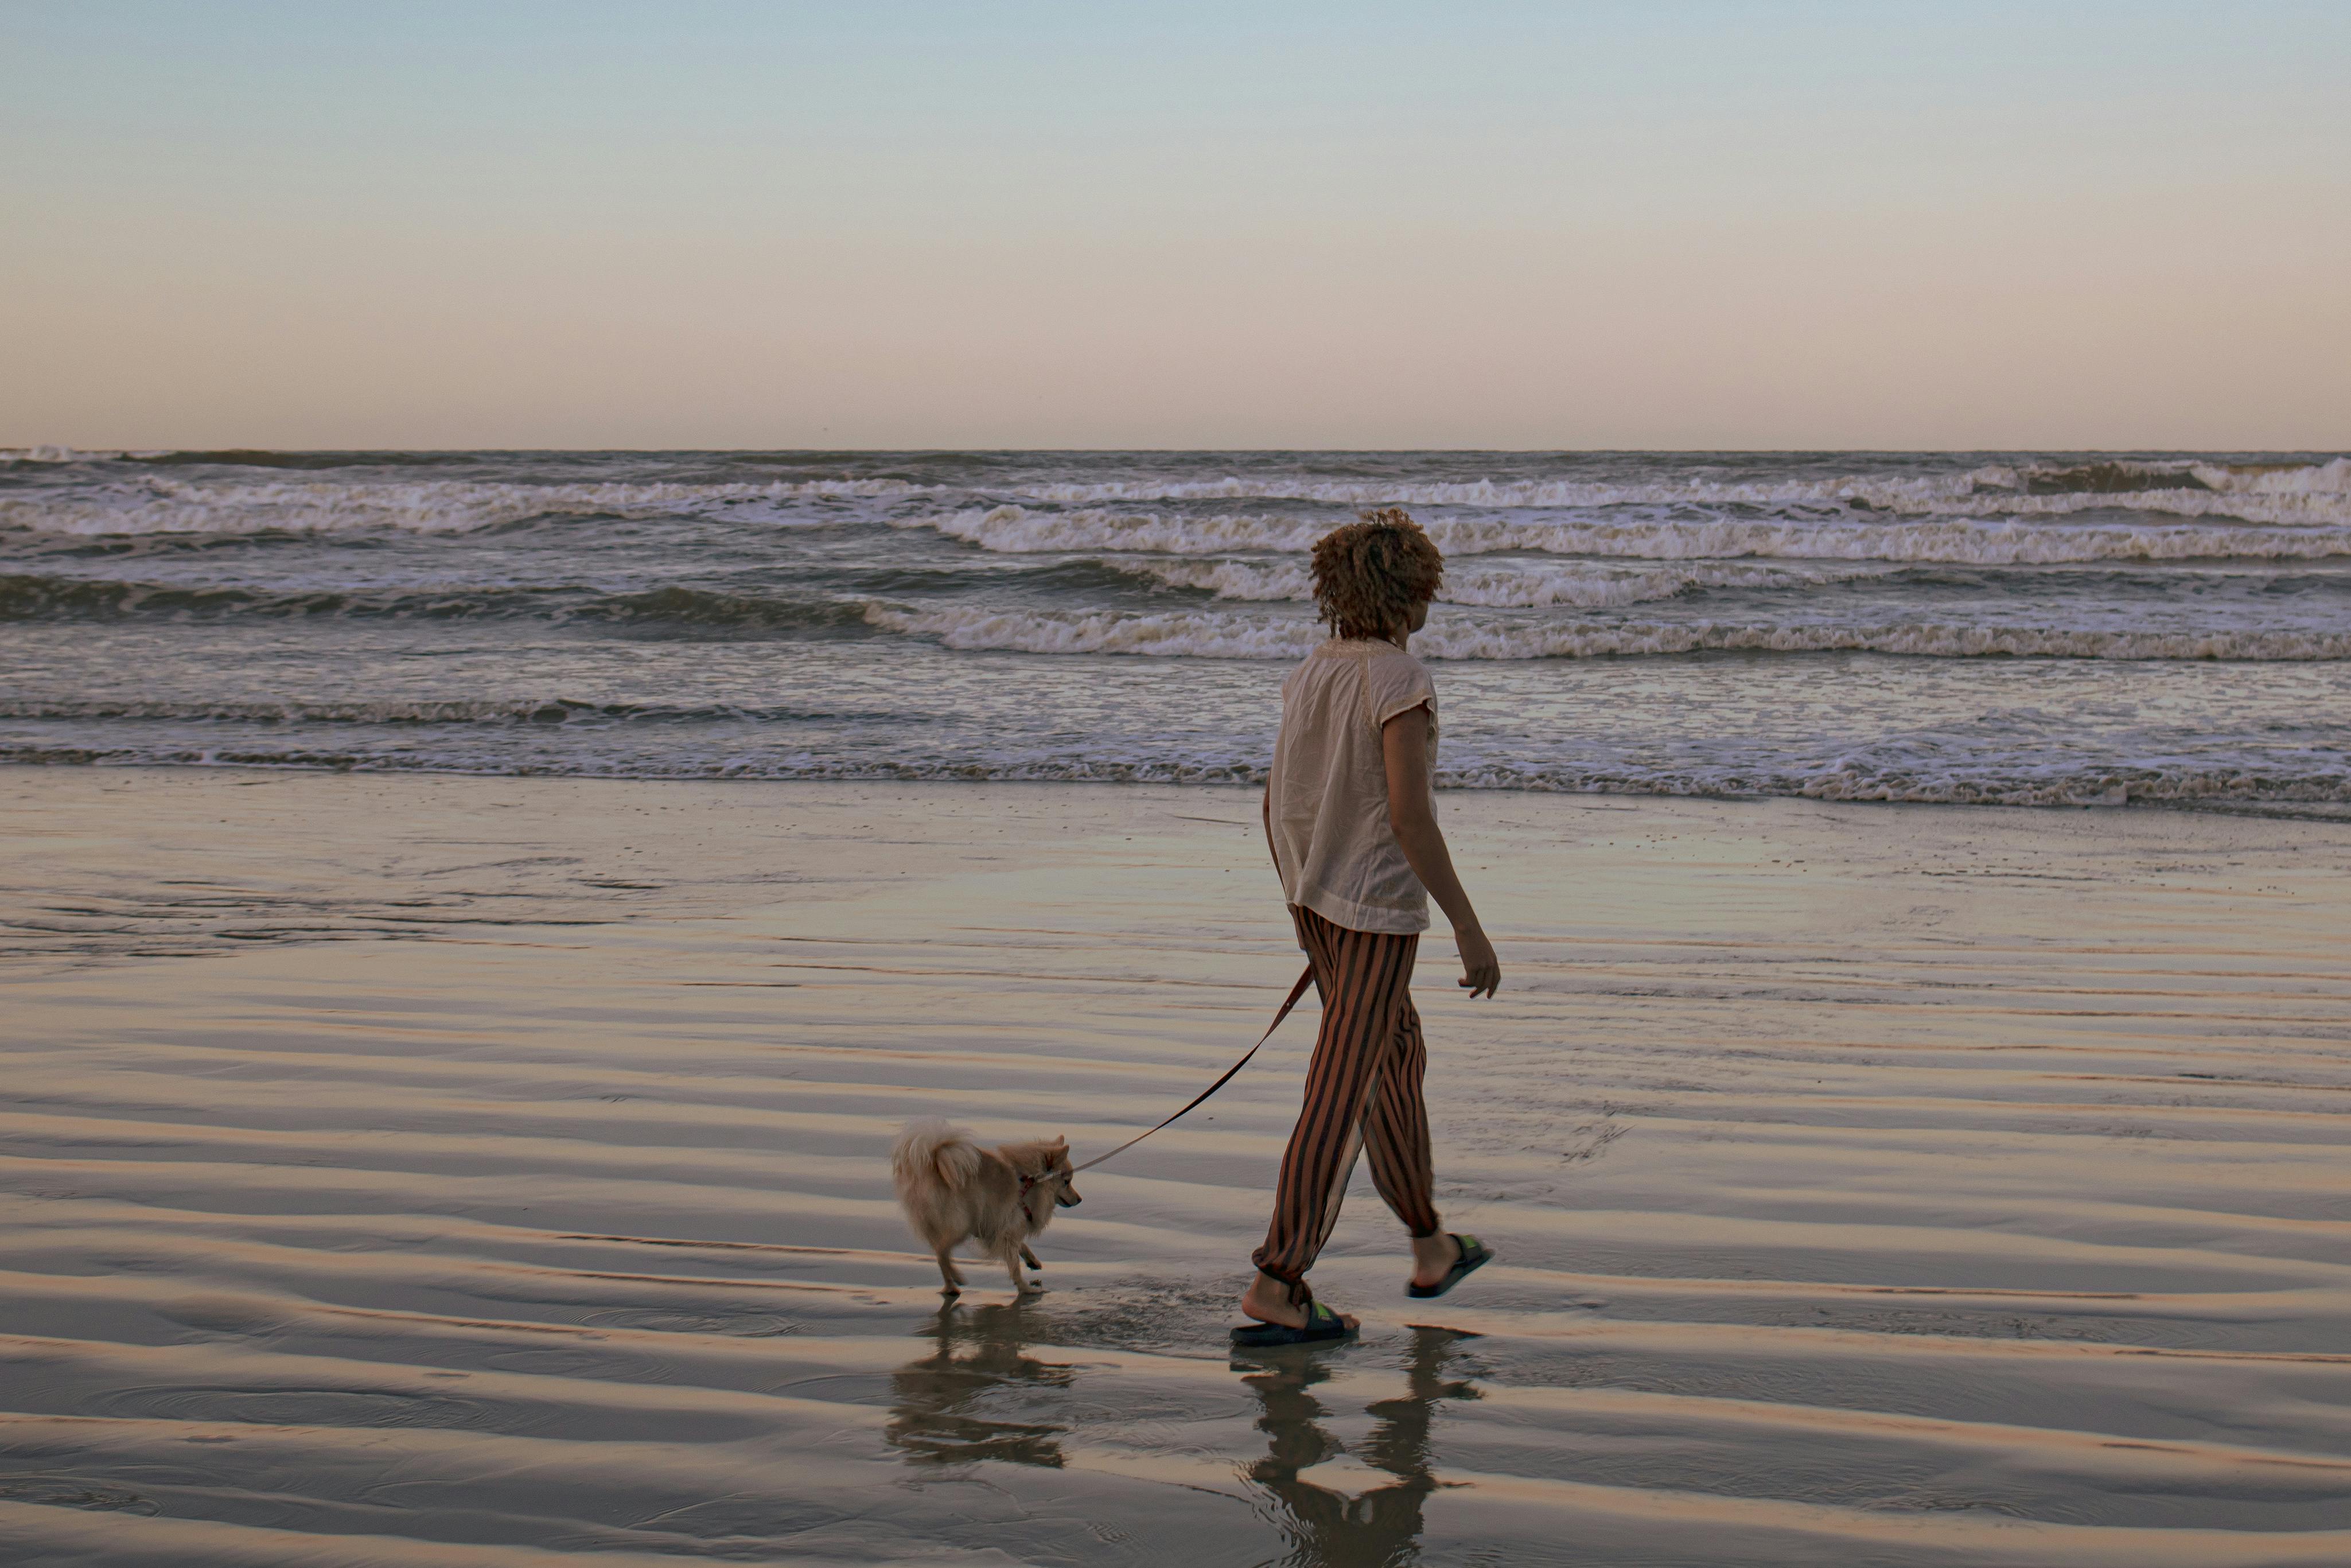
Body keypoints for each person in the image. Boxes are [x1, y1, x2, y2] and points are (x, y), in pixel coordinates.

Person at [1236, 508, 1500, 1347]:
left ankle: (1428, 1243)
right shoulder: (1398, 680)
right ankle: (1278, 1279)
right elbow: (1409, 818)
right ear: (1407, 590)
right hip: (1374, 911)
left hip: (1314, 899)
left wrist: (1304, 893)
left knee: (1394, 1055)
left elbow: (1273, 800)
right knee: (1340, 1089)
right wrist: (1467, 926)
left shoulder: (1310, 672)